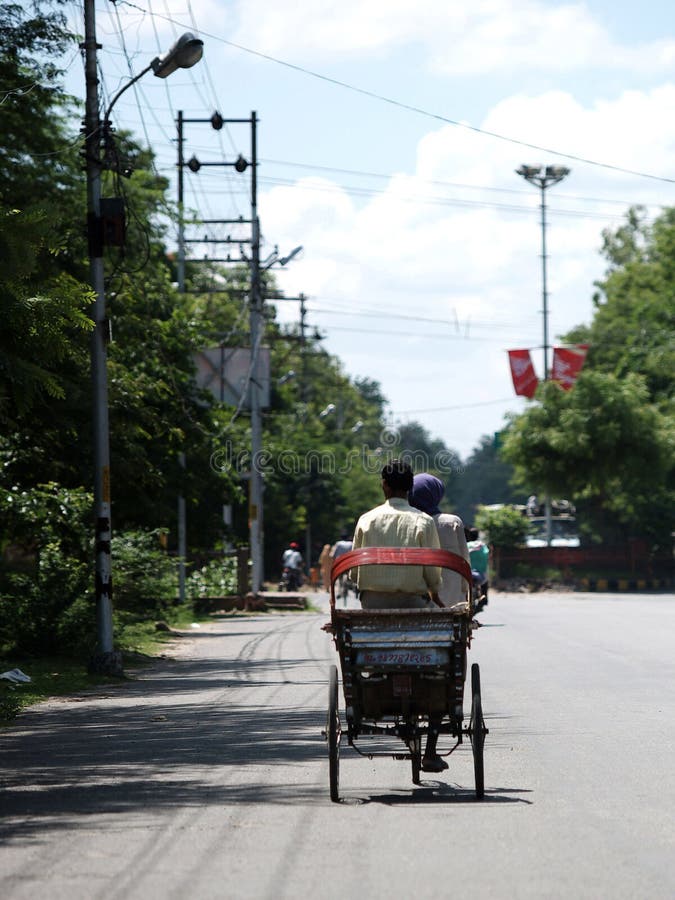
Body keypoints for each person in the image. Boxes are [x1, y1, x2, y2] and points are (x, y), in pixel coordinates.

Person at [351, 460, 445, 772]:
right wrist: (434, 593)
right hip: (414, 607)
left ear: (384, 485)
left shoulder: (366, 520)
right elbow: (433, 575)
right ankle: (431, 746)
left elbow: (354, 573)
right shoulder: (423, 521)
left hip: (372, 611)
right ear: (410, 488)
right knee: (446, 660)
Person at [409, 473, 471, 613]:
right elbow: (465, 561)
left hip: (415, 603)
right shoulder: (451, 523)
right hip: (452, 601)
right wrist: (465, 590)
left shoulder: (407, 523)